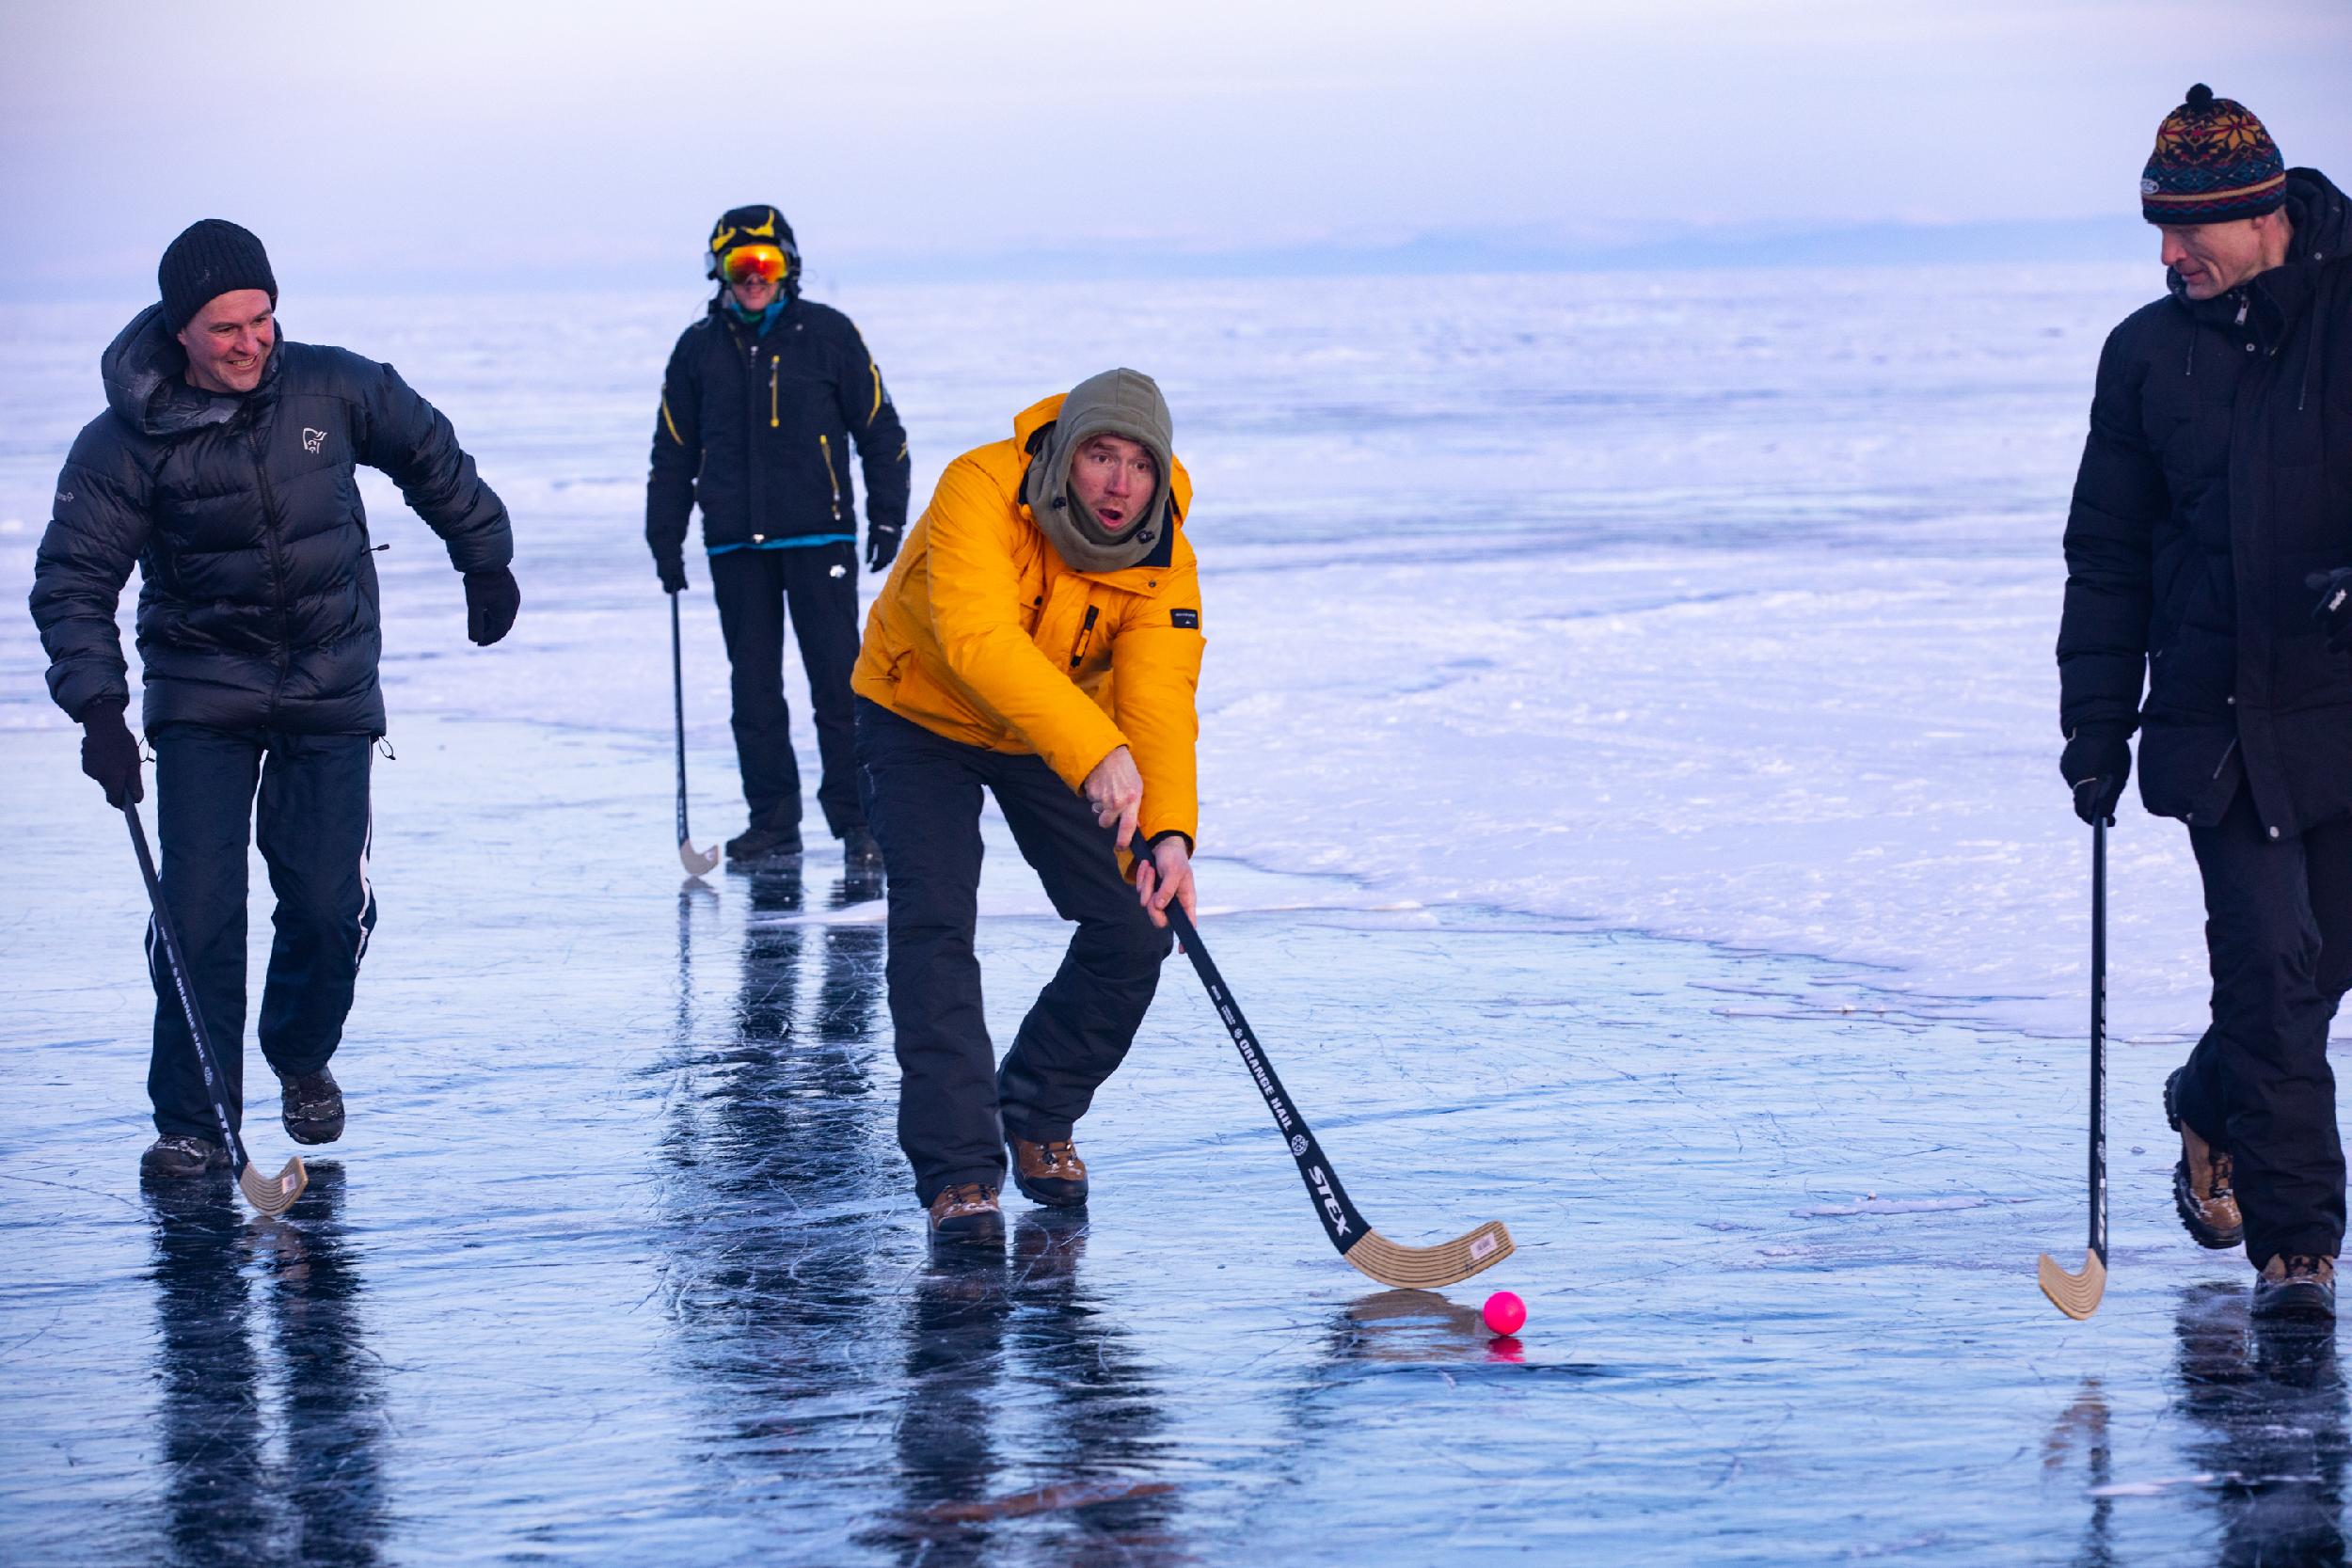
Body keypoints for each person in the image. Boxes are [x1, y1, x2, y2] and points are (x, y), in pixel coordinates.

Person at [29, 219, 519, 1178]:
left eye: (261, 318)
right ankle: (193, 1119)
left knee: (328, 907)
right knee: (199, 910)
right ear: (180, 331)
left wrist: (483, 555)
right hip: (203, 692)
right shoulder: (125, 441)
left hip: (329, 686)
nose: (251, 342)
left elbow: (427, 451)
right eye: (225, 328)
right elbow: (73, 580)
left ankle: (300, 1051)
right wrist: (99, 709)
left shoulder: (331, 388)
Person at [2057, 86, 2352, 1320]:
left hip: (2341, 702)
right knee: (2270, 978)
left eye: (2192, 230)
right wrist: (2093, 723)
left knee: (2323, 960)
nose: (2170, 254)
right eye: (2159, 231)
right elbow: (2108, 552)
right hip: (2218, 717)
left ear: (2265, 213)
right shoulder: (2146, 354)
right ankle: (2299, 1252)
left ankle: (2202, 1103)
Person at [851, 368, 1205, 1240]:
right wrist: (1095, 751)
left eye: (1140, 464)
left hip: (1050, 728)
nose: (1120, 484)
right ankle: (959, 1173)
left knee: (1135, 923)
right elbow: (978, 639)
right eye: (1100, 455)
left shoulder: (1165, 557)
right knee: (937, 925)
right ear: (1065, 450)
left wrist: (1167, 831)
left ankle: (1039, 1110)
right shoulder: (980, 487)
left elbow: (1159, 701)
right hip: (919, 708)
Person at [646, 205, 910, 871]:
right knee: (754, 691)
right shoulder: (696, 349)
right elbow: (672, 454)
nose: (753, 279)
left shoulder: (828, 335)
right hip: (735, 546)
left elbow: (881, 431)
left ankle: (859, 823)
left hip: (819, 539)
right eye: (741, 267)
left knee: (839, 688)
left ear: (788, 266)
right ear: (720, 273)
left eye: (765, 264)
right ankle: (773, 822)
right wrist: (665, 538)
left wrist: (886, 515)